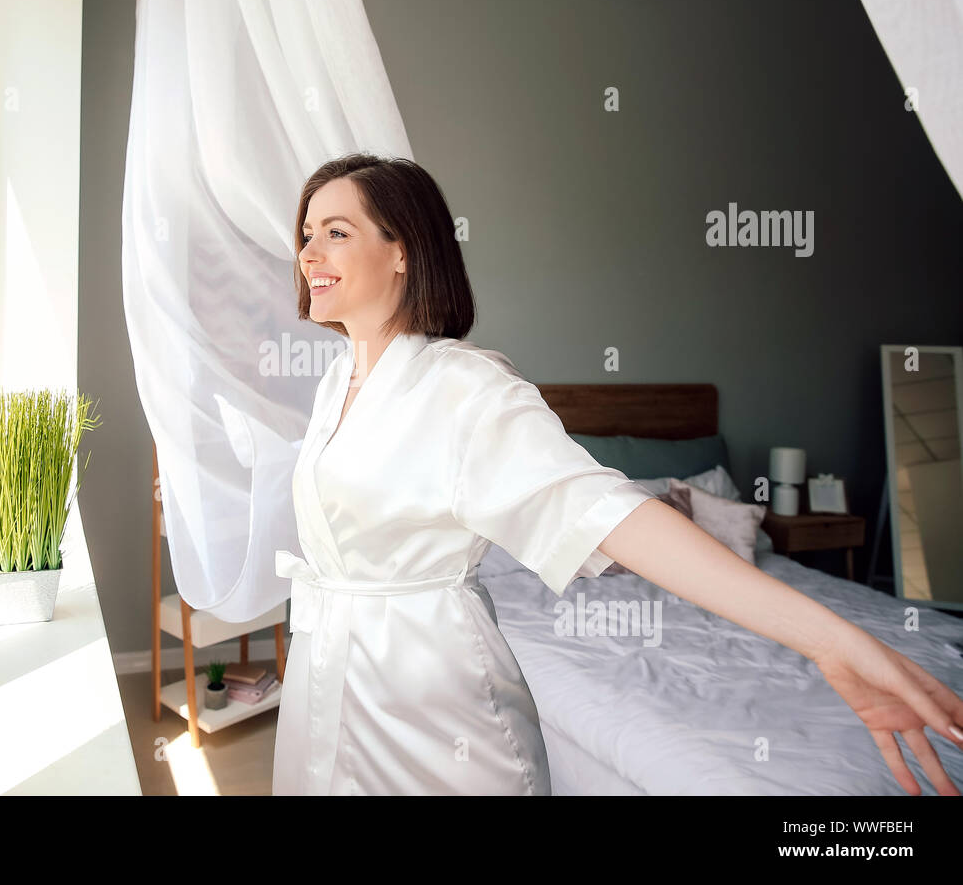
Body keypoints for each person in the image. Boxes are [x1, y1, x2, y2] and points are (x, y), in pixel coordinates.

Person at [270, 152, 963, 796]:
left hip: (432, 706)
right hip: (328, 678)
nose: (309, 253)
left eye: (336, 231)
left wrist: (831, 638)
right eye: (307, 233)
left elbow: (615, 514)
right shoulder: (336, 383)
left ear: (402, 252)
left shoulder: (464, 389)